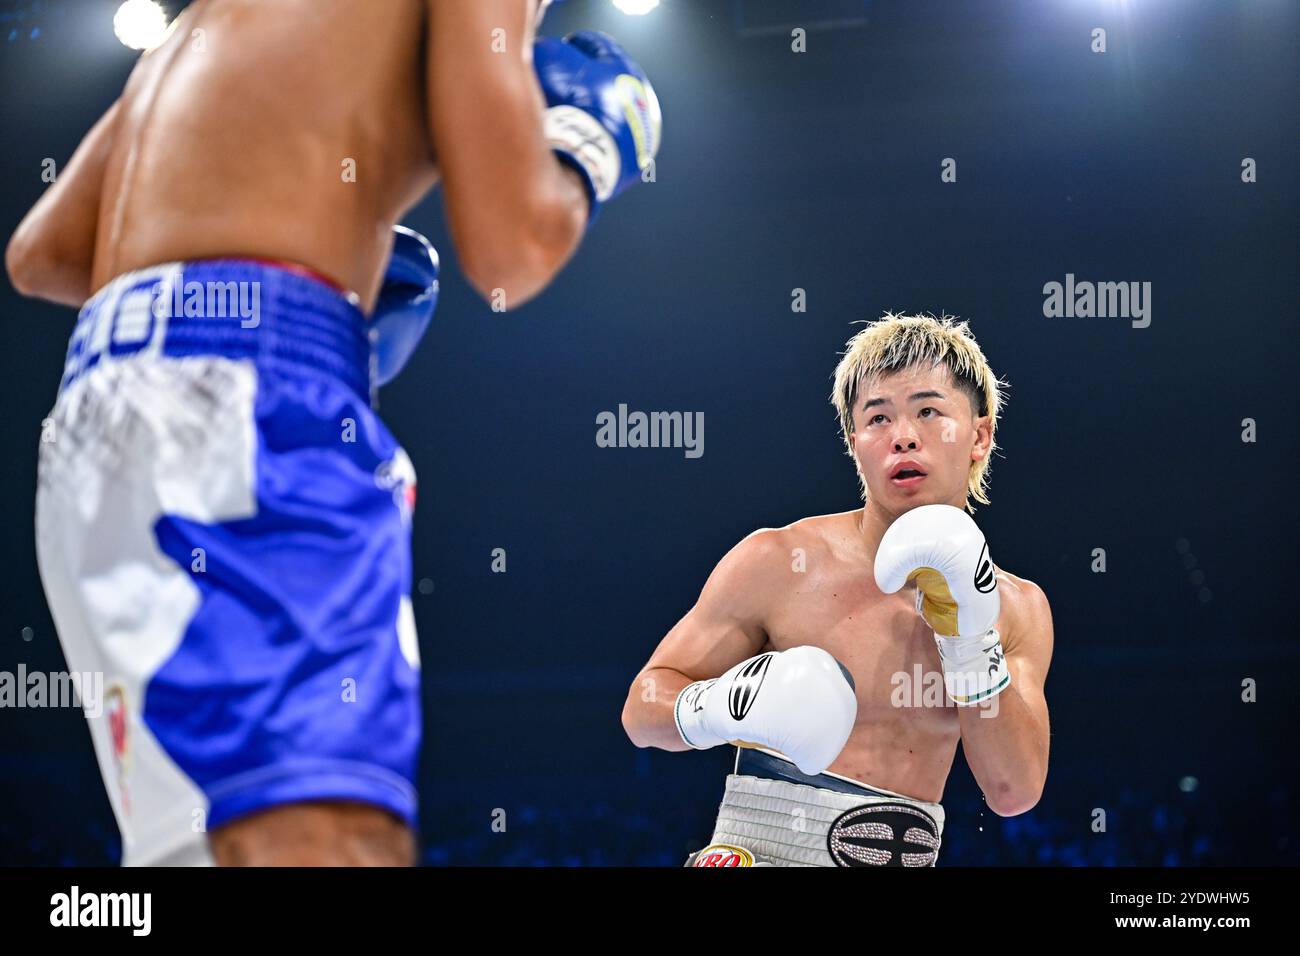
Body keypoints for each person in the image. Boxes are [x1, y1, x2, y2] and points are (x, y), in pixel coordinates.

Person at [6, 0, 660, 866]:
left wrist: (309, 235)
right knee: (329, 843)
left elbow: (44, 250)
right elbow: (512, 250)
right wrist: (587, 138)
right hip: (251, 412)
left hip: (100, 421)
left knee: (205, 847)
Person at [621, 313, 1053, 866]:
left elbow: (1013, 790)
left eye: (928, 410)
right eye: (878, 417)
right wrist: (720, 705)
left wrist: (970, 640)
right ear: (854, 442)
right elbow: (642, 708)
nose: (902, 436)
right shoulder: (779, 562)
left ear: (979, 435)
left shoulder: (1016, 609)